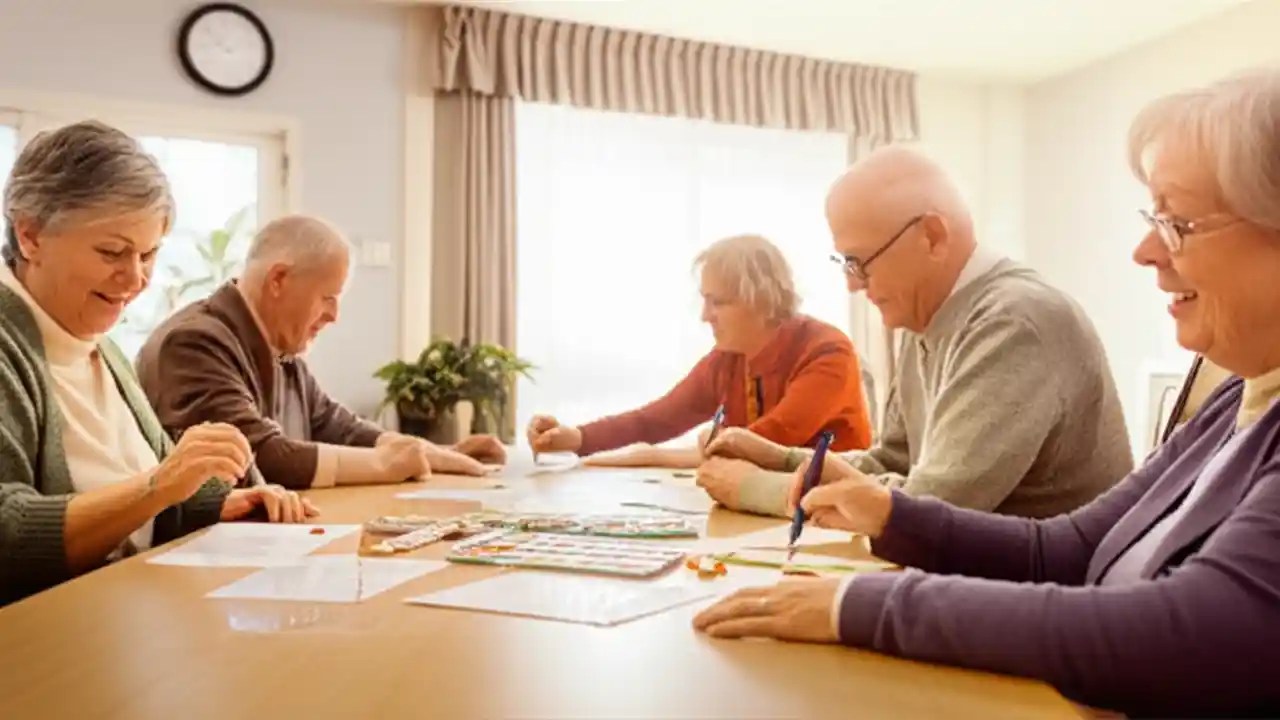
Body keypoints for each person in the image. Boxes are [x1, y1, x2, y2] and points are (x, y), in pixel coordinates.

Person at [693, 70, 1280, 717]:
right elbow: (1068, 547)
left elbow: (1190, 630)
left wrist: (860, 604)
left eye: (1179, 223)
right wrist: (891, 516)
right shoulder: (1239, 402)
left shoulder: (1012, 319)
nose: (1143, 251)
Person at [697, 147, 1132, 518]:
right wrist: (781, 458)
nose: (852, 283)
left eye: (860, 261)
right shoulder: (923, 317)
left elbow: (933, 505)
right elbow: (894, 462)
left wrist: (758, 489)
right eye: (845, 264)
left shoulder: (1014, 321)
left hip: (1038, 598)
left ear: (932, 236)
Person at [0, 121, 315, 605]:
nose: (135, 278)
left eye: (148, 254)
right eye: (112, 252)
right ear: (30, 236)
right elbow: (10, 534)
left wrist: (217, 503)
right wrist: (159, 486)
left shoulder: (98, 344)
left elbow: (145, 497)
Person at [137, 215, 506, 491]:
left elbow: (336, 426)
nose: (334, 316)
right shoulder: (193, 342)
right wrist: (382, 465)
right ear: (278, 279)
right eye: (328, 297)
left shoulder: (278, 346)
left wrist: (438, 453)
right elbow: (257, 458)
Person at [526, 233, 873, 469]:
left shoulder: (827, 351)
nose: (705, 316)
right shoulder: (728, 359)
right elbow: (656, 419)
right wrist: (577, 437)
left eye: (717, 302)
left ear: (762, 300)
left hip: (826, 514)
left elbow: (772, 439)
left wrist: (655, 456)